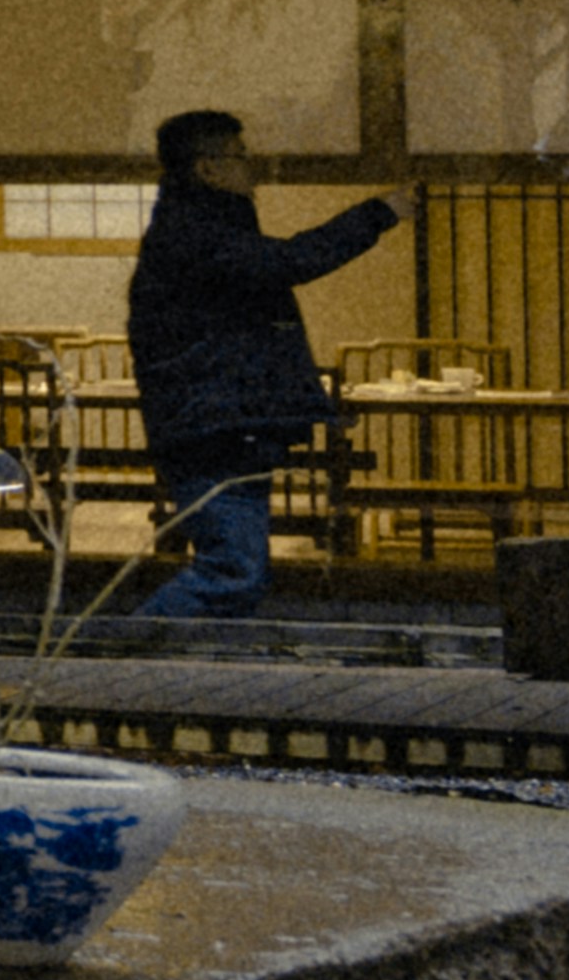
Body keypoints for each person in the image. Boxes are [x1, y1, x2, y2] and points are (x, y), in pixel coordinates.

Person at [124, 111, 402, 624]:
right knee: (233, 570)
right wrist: (378, 213)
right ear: (208, 169)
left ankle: (163, 666)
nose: (251, 169)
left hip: (215, 421)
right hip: (213, 424)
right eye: (241, 156)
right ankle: (116, 659)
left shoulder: (194, 225)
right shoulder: (198, 232)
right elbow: (290, 260)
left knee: (235, 568)